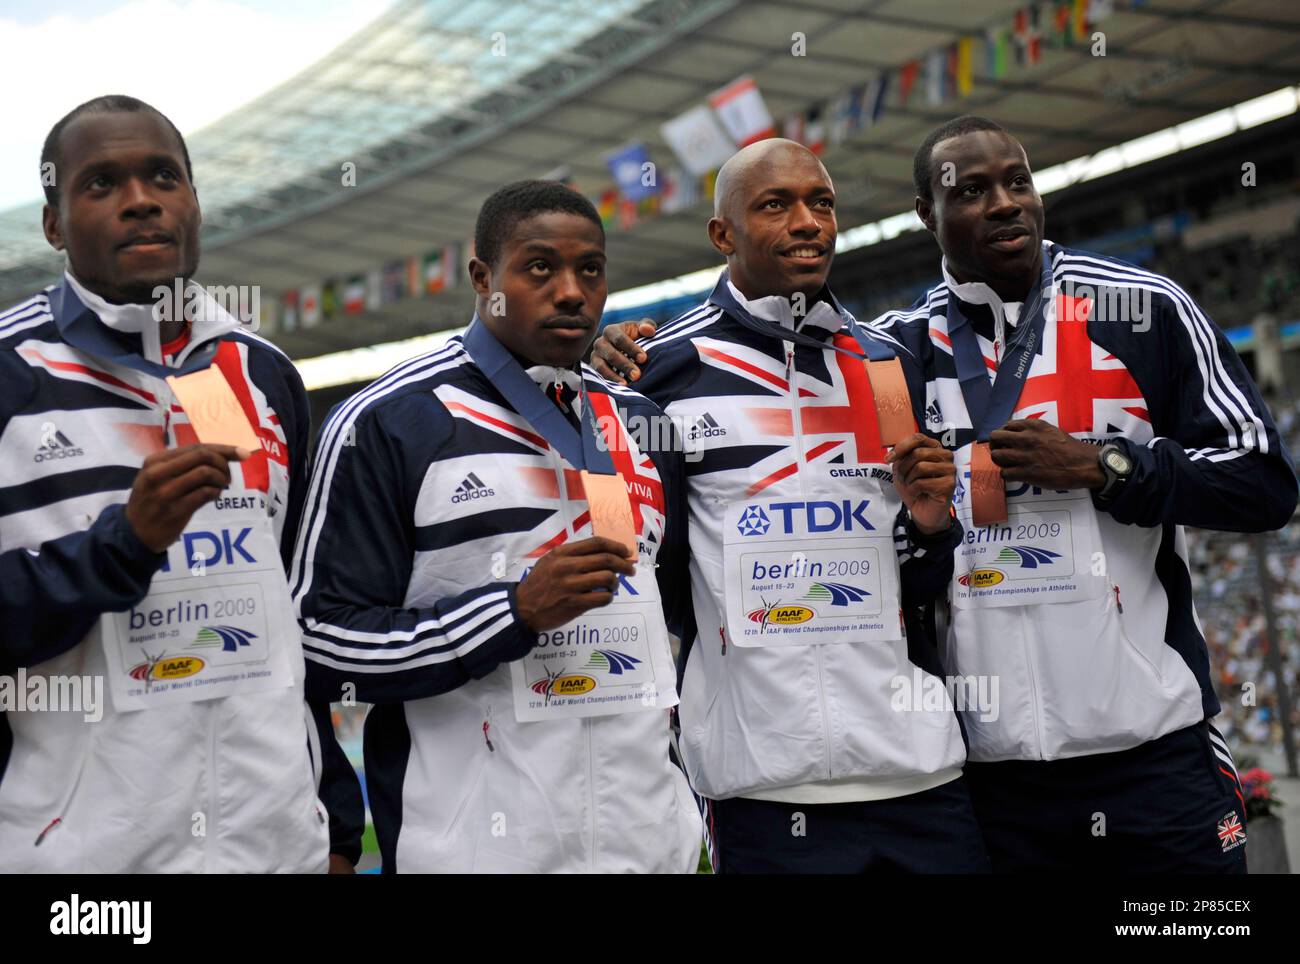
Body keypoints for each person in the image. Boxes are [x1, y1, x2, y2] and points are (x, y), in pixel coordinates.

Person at [879, 115, 1296, 872]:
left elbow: (1265, 483)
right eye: (971, 191)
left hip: (1156, 761)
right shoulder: (893, 356)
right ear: (925, 215)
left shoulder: (1143, 309)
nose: (1006, 203)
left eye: (1017, 181)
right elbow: (884, 556)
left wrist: (1108, 468)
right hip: (993, 782)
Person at [590, 139, 988, 873]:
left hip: (922, 777)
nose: (808, 222)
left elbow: (917, 577)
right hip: (765, 791)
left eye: (822, 203)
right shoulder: (658, 375)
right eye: (776, 205)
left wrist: (931, 527)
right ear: (723, 234)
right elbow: (652, 571)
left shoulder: (883, 365)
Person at [290, 180, 701, 873]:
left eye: (590, 270)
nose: (571, 291)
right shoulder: (387, 423)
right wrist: (510, 612)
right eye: (540, 268)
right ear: (483, 276)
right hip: (474, 850)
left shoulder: (638, 423)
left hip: (649, 845)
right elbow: (317, 643)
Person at [0, 95, 362, 873]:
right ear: (55, 225)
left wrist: (332, 817)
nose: (141, 201)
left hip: (277, 849)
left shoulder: (261, 374)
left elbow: (294, 613)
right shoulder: (10, 375)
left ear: (193, 201)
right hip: (85, 865)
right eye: (102, 184)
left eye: (164, 176)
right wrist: (119, 549)